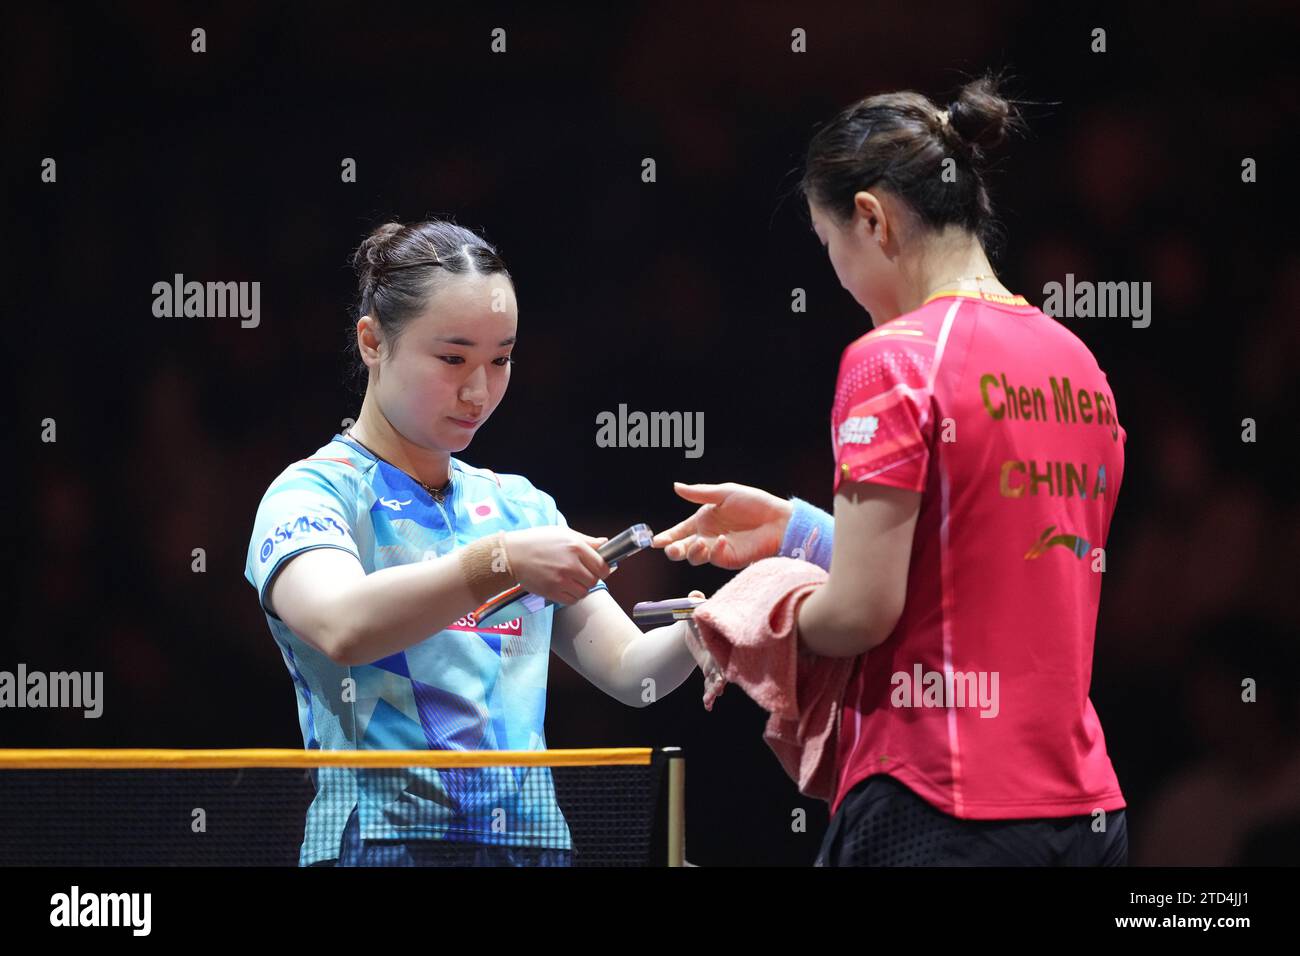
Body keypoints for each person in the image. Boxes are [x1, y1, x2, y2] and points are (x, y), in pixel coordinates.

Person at [654, 74, 1129, 866]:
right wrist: (802, 533)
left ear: (869, 218)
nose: (837, 277)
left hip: (936, 800)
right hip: (1085, 814)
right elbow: (985, 568)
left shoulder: (892, 360)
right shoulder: (1078, 365)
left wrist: (751, 612)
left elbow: (860, 616)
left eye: (829, 245)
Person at [244, 219, 704, 867]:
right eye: (453, 358)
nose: (478, 391)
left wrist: (709, 626)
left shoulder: (522, 508)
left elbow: (633, 675)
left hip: (531, 850)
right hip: (379, 847)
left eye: (501, 358)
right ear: (373, 341)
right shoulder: (312, 496)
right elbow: (343, 625)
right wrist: (502, 562)